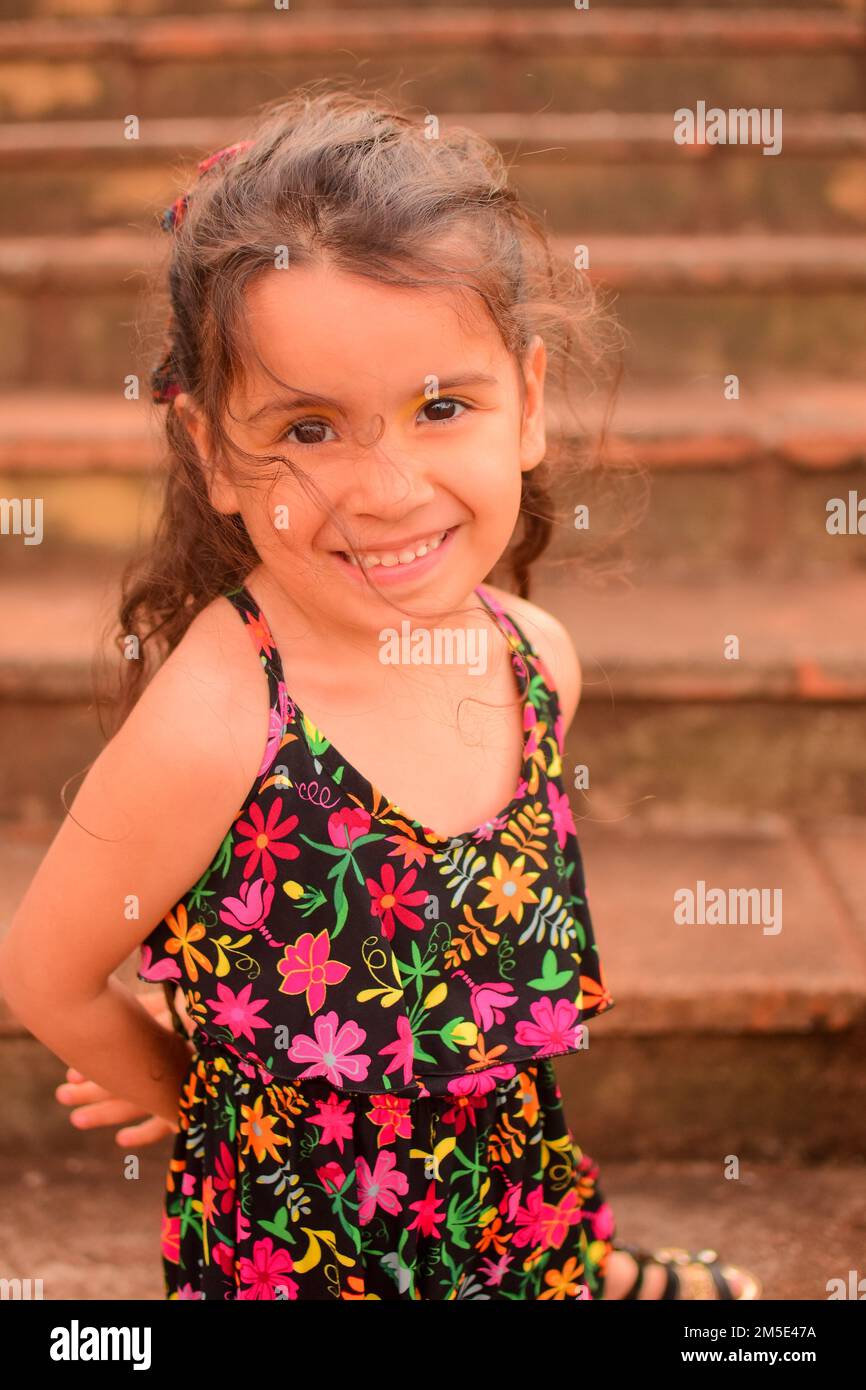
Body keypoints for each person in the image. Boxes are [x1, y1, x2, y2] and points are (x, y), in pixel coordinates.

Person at [0, 85, 761, 1302]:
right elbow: (42, 972)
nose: (388, 485)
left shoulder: (535, 661)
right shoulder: (220, 718)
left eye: (440, 406)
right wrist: (189, 1092)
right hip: (310, 1270)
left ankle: (573, 1264)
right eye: (308, 429)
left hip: (512, 1209)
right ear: (212, 454)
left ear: (527, 400)